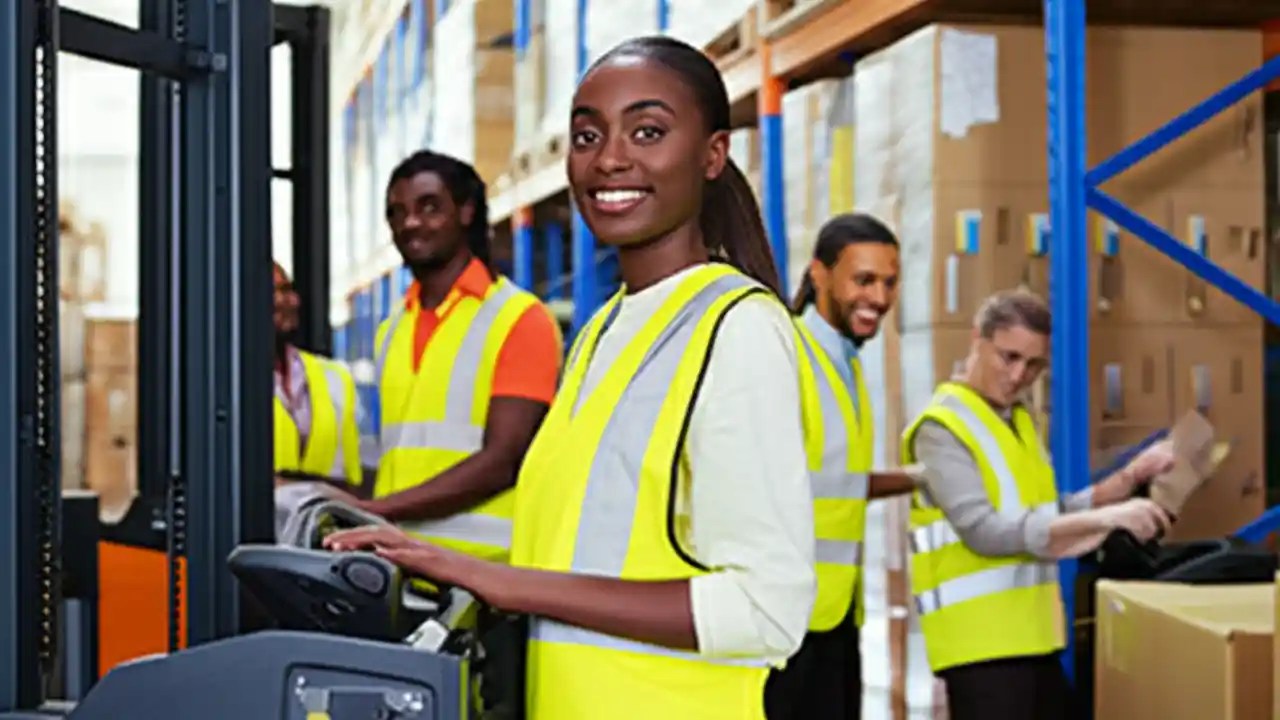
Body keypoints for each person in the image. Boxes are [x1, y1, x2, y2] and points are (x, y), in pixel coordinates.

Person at [326, 35, 815, 719]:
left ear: (713, 155)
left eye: (648, 131)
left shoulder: (736, 330)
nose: (610, 157)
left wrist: (499, 580)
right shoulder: (602, 332)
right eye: (588, 134)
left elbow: (766, 610)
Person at [900, 289, 1175, 720]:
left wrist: (1129, 478)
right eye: (1007, 357)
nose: (1018, 375)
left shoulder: (1019, 420)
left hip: (1030, 639)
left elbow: (1049, 511)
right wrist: (1107, 519)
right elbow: (985, 532)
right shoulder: (941, 428)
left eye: (1033, 365)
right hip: (979, 648)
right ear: (977, 339)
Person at [347, 150, 562, 564]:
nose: (410, 223)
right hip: (399, 564)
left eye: (429, 208)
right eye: (397, 212)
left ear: (465, 212)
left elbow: (504, 461)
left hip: (484, 580)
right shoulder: (391, 330)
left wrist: (375, 513)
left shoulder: (520, 319)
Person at [767, 213, 921, 720]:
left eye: (889, 282)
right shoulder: (787, 353)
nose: (878, 298)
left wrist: (914, 479)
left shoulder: (847, 362)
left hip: (835, 615)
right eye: (864, 280)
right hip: (780, 619)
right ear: (819, 275)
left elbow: (836, 483)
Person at [270, 261, 367, 535]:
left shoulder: (335, 377)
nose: (283, 300)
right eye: (269, 292)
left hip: (323, 542)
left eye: (286, 289)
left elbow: (352, 483)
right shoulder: (225, 382)